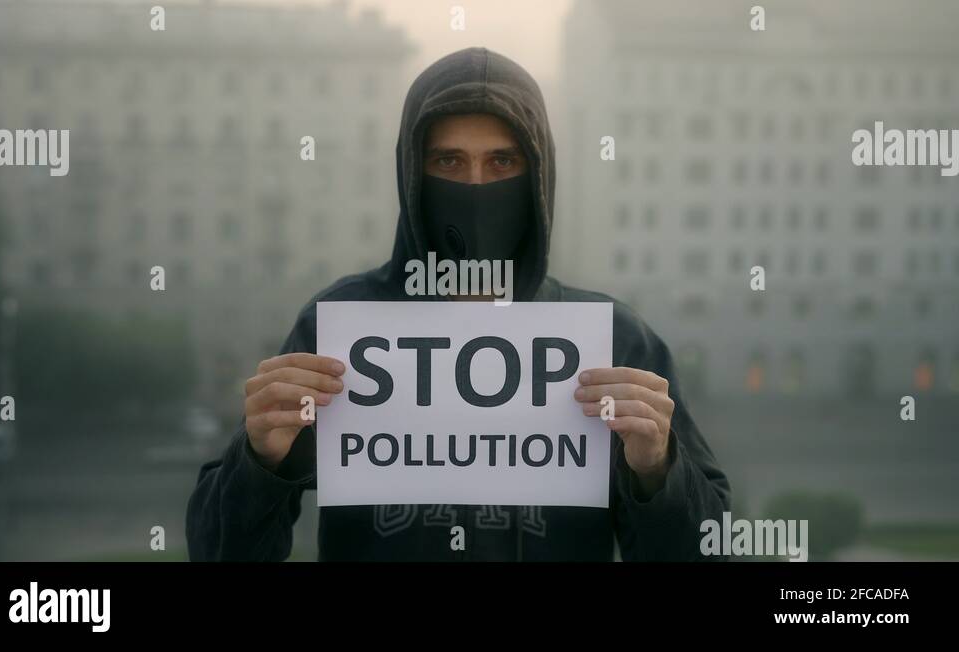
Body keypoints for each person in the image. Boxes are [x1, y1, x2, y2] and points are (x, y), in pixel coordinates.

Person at [186, 47, 730, 561]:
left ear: (538, 175)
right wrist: (259, 460)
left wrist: (658, 470)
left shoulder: (615, 340)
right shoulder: (337, 324)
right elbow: (220, 553)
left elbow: (706, 549)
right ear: (411, 172)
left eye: (502, 162)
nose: (475, 185)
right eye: (448, 160)